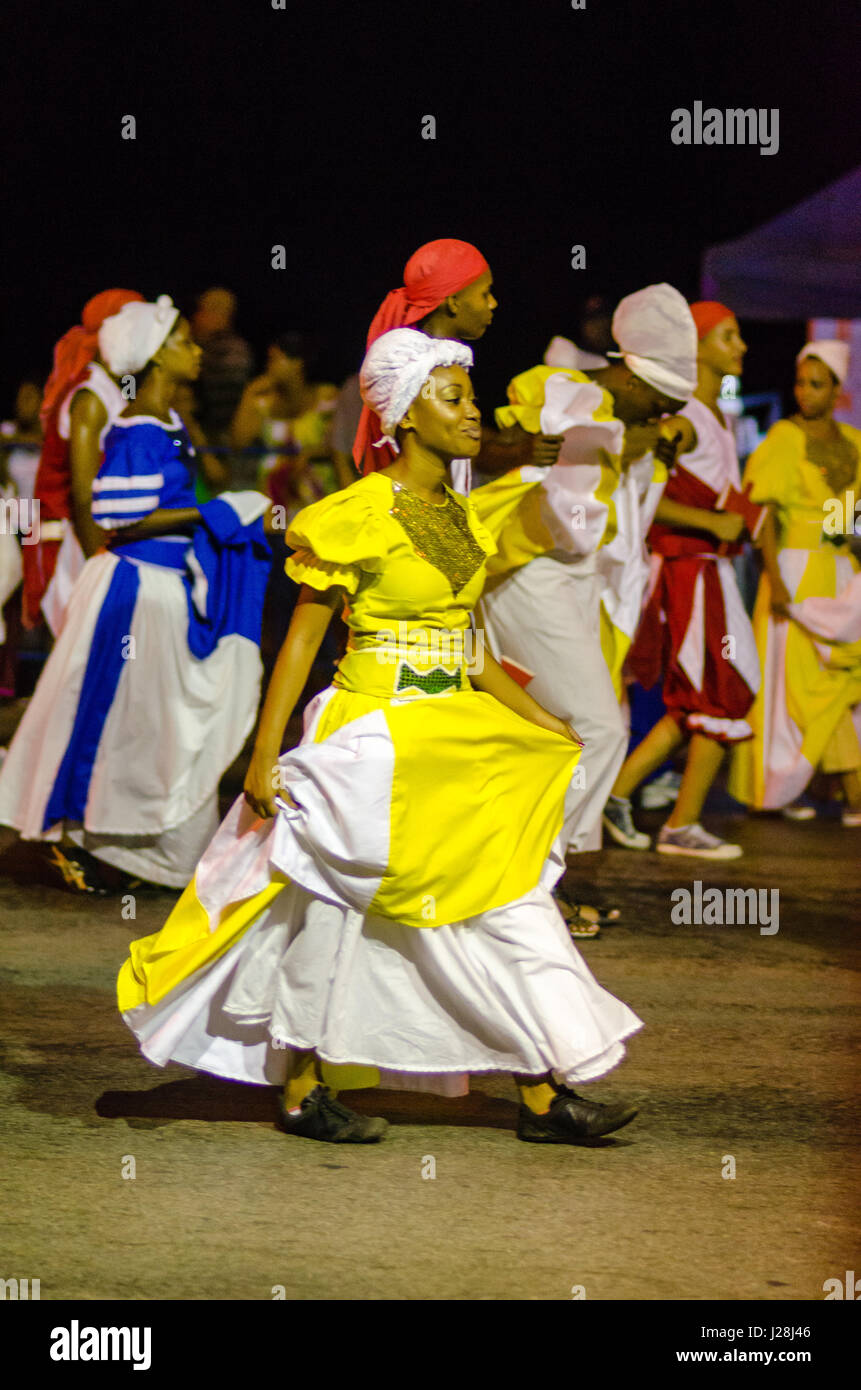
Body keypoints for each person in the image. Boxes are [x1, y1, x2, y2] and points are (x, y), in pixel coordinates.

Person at [118, 327, 642, 1146]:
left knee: (505, 901)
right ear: (404, 413)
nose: (475, 414)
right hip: (368, 732)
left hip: (450, 733)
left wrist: (544, 723)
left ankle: (546, 1089)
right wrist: (261, 756)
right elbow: (300, 639)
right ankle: (299, 1089)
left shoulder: (463, 519)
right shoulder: (355, 515)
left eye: (471, 397)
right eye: (454, 398)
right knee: (331, 912)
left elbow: (469, 649)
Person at [0, 297, 272, 893]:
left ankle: (140, 849)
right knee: (105, 714)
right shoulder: (136, 427)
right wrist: (215, 514)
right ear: (154, 357)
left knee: (147, 722)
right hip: (133, 590)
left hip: (162, 588)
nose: (196, 350)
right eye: (183, 342)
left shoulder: (169, 422)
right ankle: (74, 835)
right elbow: (114, 514)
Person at [470, 285, 698, 932]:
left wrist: (654, 432)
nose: (663, 416)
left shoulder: (628, 420)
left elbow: (632, 445)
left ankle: (530, 885)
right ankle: (530, 886)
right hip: (527, 576)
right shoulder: (562, 388)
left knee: (547, 731)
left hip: (574, 582)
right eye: (659, 402)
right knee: (597, 729)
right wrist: (596, 425)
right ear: (631, 375)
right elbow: (534, 414)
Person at [604, 302, 759, 859]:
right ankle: (680, 823)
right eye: (729, 335)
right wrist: (712, 520)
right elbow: (649, 485)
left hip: (709, 571)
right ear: (696, 346)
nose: (740, 346)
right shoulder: (687, 417)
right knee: (723, 691)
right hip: (690, 572)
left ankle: (617, 794)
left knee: (705, 695)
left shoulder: (716, 416)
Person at [729, 340, 861, 823]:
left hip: (842, 573)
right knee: (802, 688)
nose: (805, 392)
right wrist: (776, 582)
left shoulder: (854, 442)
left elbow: (850, 519)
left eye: (817, 383)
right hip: (795, 572)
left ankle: (815, 787)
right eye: (801, 382)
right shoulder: (783, 438)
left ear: (837, 389)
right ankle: (837, 791)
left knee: (842, 679)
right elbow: (760, 513)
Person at [353, 238, 562, 494]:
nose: (493, 303)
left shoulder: (447, 362)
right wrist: (517, 453)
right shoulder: (420, 369)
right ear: (452, 301)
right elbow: (433, 454)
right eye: (485, 293)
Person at [21, 290, 144, 635]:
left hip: (92, 540)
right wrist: (99, 564)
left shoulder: (113, 390)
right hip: (68, 544)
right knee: (67, 662)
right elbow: (83, 493)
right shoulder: (89, 395)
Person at [231, 331, 349, 517]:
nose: (269, 367)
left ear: (297, 363)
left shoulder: (326, 398)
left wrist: (310, 454)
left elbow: (341, 445)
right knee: (278, 542)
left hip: (318, 494)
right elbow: (239, 442)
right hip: (276, 499)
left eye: (275, 360)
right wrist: (249, 393)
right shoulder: (263, 402)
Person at [190, 287, 253, 445]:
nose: (196, 317)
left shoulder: (228, 349)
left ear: (218, 313)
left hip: (221, 439)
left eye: (201, 310)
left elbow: (220, 401)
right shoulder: (210, 346)